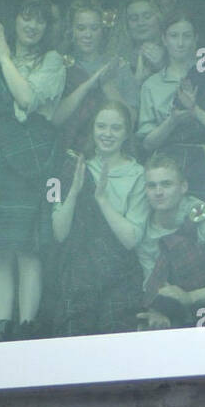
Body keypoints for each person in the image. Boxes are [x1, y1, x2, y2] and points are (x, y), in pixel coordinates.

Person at [0, 0, 66, 339]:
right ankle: (1, 328)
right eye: (26, 17)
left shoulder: (52, 61)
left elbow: (27, 99)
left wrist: (5, 61)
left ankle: (26, 327)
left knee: (28, 249)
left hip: (30, 159)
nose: (32, 25)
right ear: (14, 21)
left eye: (40, 20)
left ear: (48, 27)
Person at [52, 102, 147, 336]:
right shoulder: (74, 167)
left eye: (116, 128)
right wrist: (74, 192)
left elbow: (130, 240)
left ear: (126, 134)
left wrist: (102, 200)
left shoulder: (138, 174)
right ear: (92, 129)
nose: (107, 134)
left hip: (119, 275)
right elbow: (59, 233)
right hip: (79, 273)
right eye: (101, 126)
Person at [137, 11, 205, 205]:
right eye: (174, 36)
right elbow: (147, 143)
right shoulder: (152, 85)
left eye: (186, 36)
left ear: (195, 39)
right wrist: (172, 121)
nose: (180, 43)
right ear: (164, 39)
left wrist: (195, 111)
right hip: (164, 167)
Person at [136, 154, 205, 330]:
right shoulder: (145, 231)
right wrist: (159, 312)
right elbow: (153, 284)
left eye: (166, 184)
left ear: (183, 186)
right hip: (179, 311)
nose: (158, 192)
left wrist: (190, 297)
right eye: (152, 186)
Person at [53, 4, 136, 155]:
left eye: (94, 28)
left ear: (103, 31)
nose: (88, 35)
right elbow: (54, 119)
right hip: (68, 151)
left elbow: (132, 120)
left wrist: (106, 85)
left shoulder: (120, 66)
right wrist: (89, 84)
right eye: (81, 28)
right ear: (71, 31)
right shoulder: (60, 67)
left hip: (111, 152)